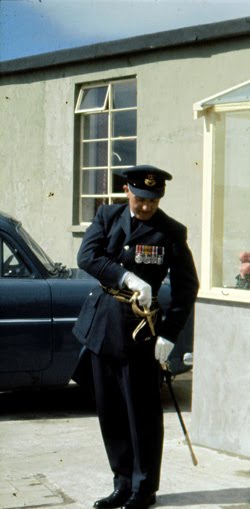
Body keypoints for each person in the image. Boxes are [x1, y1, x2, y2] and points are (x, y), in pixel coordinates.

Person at [73, 165, 199, 509]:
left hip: (141, 332)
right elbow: (87, 256)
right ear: (128, 191)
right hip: (103, 327)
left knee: (141, 413)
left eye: (154, 200)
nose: (146, 207)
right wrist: (127, 277)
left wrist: (170, 335)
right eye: (141, 199)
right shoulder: (108, 217)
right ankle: (122, 482)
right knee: (110, 411)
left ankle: (144, 488)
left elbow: (188, 287)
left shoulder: (171, 232)